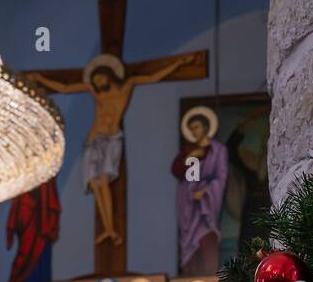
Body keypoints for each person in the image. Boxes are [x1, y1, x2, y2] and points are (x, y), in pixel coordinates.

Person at [29, 52, 201, 247]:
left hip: (112, 139)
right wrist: (41, 79)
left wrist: (178, 63)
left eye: (101, 77)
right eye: (95, 80)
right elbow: (66, 88)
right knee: (95, 184)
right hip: (93, 139)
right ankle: (107, 228)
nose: (99, 82)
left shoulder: (126, 86)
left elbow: (154, 76)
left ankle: (111, 228)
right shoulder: (95, 92)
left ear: (109, 74)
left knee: (103, 181)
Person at [170, 108, 228, 275]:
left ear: (205, 127)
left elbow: (221, 176)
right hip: (188, 203)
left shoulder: (218, 150)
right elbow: (180, 172)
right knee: (189, 244)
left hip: (207, 203)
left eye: (197, 127)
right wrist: (190, 158)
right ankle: (189, 277)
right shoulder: (190, 151)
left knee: (206, 238)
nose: (194, 131)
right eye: (191, 128)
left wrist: (206, 191)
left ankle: (209, 278)